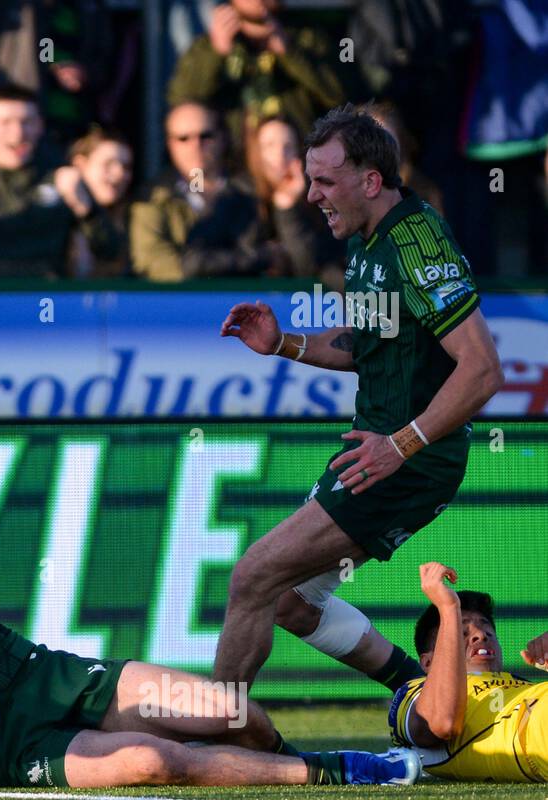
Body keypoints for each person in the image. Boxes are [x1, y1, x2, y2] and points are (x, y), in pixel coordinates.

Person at [0, 443, 420, 791]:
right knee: (155, 760)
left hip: (46, 676)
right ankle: (337, 772)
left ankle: (288, 767)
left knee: (230, 710)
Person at [213, 105, 504, 692]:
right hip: (382, 453)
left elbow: (483, 370)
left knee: (253, 576)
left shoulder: (417, 242)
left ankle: (215, 727)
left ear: (370, 181)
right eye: (309, 177)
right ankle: (412, 686)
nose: (311, 193)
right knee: (290, 600)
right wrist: (284, 344)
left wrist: (402, 445)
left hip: (402, 461)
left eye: (324, 180)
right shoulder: (364, 238)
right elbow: (366, 344)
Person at [0, 85, 120, 279]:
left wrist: (86, 210)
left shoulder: (60, 173)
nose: (18, 133)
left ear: (40, 125)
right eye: (5, 122)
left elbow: (110, 250)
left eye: (27, 122)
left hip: (46, 298)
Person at [389, 563, 547, 783]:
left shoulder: (522, 685)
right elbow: (443, 723)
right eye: (463, 631)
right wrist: (448, 608)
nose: (480, 634)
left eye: (486, 628)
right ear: (428, 662)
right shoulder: (417, 691)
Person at [166, 0, 350, 165]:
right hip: (234, 168)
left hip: (298, 163)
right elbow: (182, 107)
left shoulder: (307, 39)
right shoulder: (207, 46)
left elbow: (339, 97)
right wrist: (216, 53)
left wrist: (290, 54)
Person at [130, 101, 279, 281]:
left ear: (223, 137)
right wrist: (253, 259)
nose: (196, 145)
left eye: (206, 135)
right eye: (184, 138)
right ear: (170, 144)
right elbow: (157, 265)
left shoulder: (257, 192)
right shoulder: (151, 200)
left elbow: (284, 258)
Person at [245, 114, 341, 283]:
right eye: (269, 146)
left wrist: (288, 207)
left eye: (288, 146)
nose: (280, 155)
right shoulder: (241, 196)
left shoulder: (319, 199)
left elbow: (307, 268)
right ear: (256, 153)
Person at [66, 126, 133, 277]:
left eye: (126, 167)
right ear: (80, 165)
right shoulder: (56, 216)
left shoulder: (133, 218)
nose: (119, 174)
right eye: (108, 164)